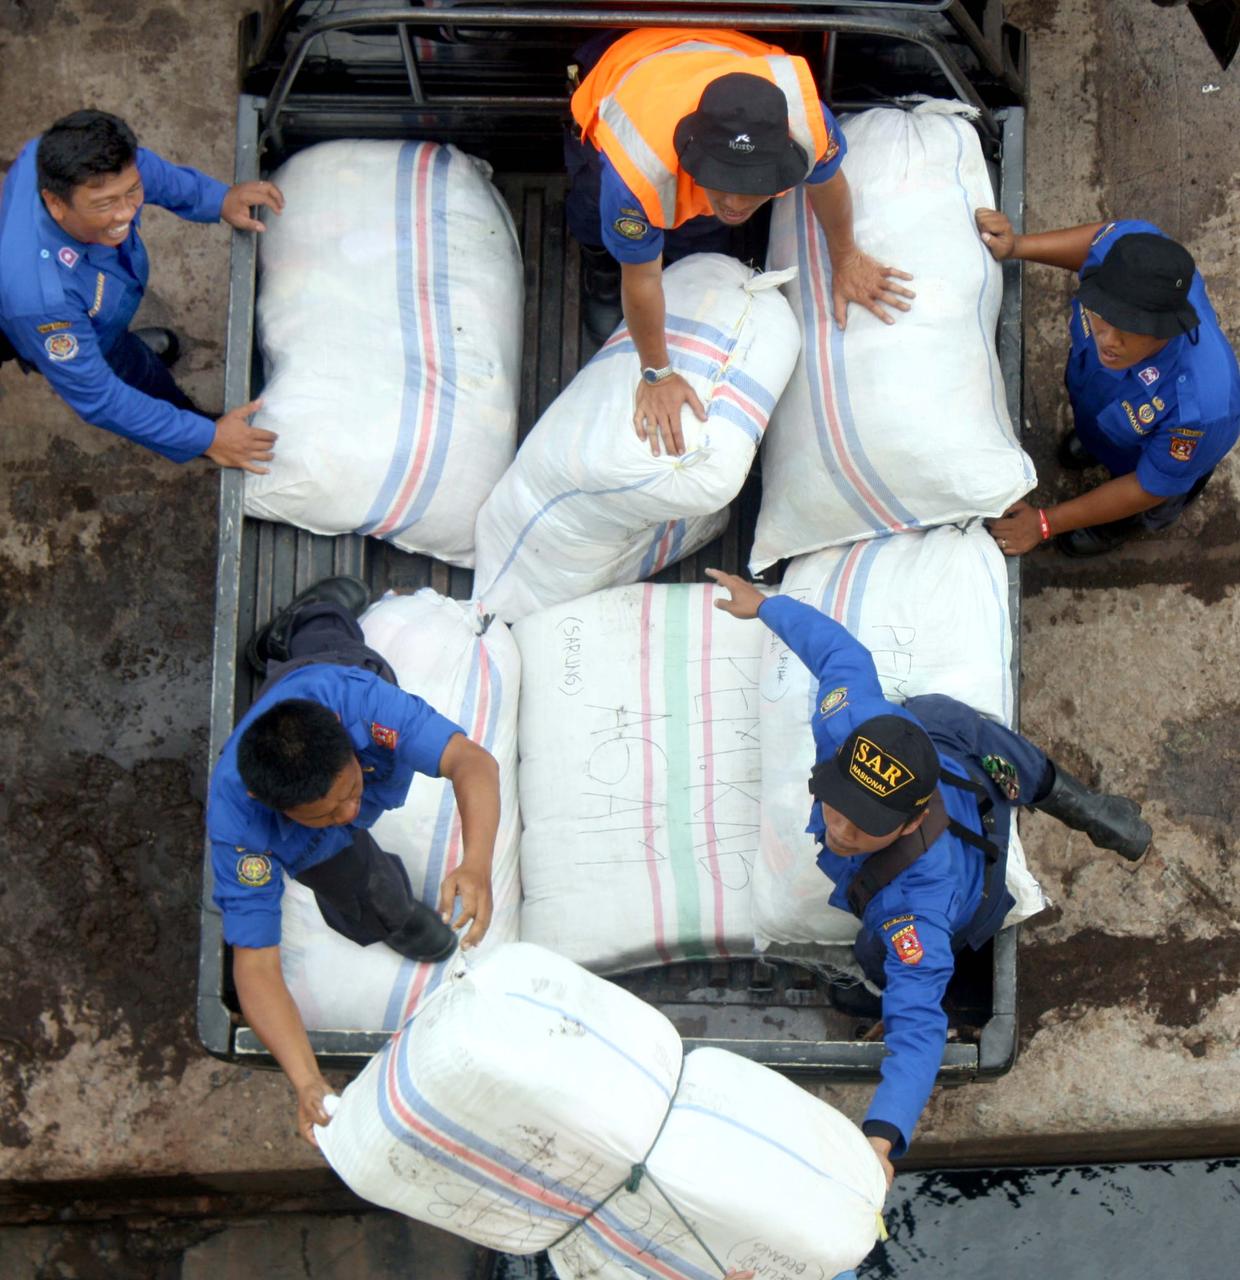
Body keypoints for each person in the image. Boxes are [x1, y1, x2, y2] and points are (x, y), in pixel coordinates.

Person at [705, 569, 1151, 1184]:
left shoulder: (916, 908)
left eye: (863, 825)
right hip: (935, 737)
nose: (839, 828)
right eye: (838, 803)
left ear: (913, 815)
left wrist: (883, 1136)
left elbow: (920, 1033)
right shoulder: (850, 723)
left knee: (884, 953)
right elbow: (841, 653)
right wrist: (765, 606)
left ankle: (1092, 811)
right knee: (942, 714)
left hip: (968, 878)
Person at [206, 576, 500, 1145]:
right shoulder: (239, 825)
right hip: (311, 844)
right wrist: (307, 1080)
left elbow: (472, 762)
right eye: (323, 810)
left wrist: (478, 861)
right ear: (274, 808)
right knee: (361, 889)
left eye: (349, 791)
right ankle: (391, 915)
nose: (346, 811)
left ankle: (306, 616)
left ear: (346, 741)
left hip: (327, 667)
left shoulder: (358, 699)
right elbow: (256, 966)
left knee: (330, 631)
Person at [567, 28, 914, 457]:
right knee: (592, 214)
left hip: (725, 53)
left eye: (752, 185)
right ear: (691, 155)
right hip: (619, 72)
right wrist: (656, 373)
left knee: (704, 231)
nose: (734, 201)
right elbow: (640, 278)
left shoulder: (806, 125)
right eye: (722, 181)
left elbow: (829, 186)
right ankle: (598, 260)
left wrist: (847, 257)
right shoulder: (637, 173)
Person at [0, 109, 282, 471]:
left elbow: (145, 170)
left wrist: (217, 199)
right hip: (32, 315)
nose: (125, 214)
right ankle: (192, 422)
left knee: (121, 350)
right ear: (55, 203)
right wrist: (207, 438)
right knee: (122, 371)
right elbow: (99, 397)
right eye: (105, 205)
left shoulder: (60, 159)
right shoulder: (43, 300)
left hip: (67, 302)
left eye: (131, 194)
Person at [976, 212, 1240, 557]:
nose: (1108, 340)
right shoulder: (1134, 255)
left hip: (1155, 470)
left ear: (1168, 327)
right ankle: (1094, 441)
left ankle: (1115, 528)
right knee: (1094, 435)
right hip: (1101, 409)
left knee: (1150, 506)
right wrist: (1018, 246)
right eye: (1103, 313)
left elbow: (1147, 486)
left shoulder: (1201, 410)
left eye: (1130, 328)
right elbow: (1098, 243)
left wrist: (1045, 522)